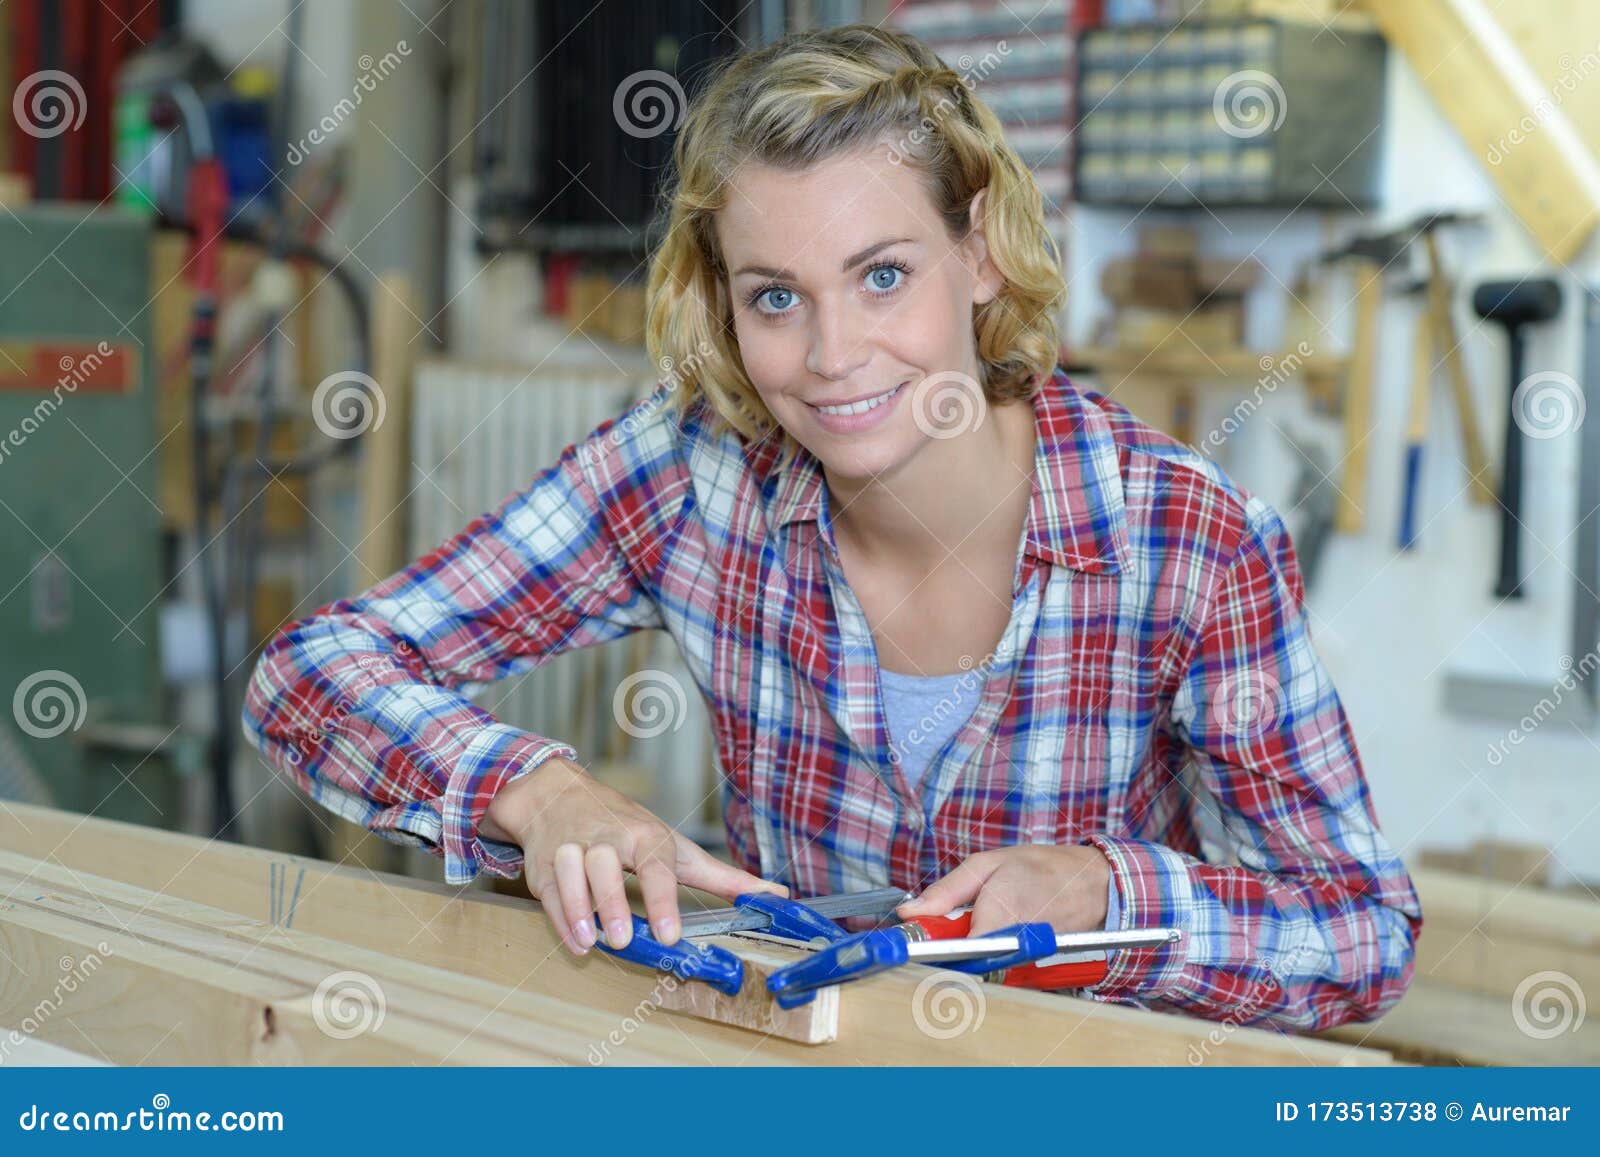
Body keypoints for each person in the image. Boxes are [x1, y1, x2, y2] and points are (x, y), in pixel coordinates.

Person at [243, 24, 1421, 1032]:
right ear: (720, 302)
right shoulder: (688, 471)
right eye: (774, 297)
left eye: (882, 276)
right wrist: (540, 794)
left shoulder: (1189, 541)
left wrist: (1108, 893)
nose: (831, 355)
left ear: (979, 254)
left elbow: (1360, 928)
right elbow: (312, 674)